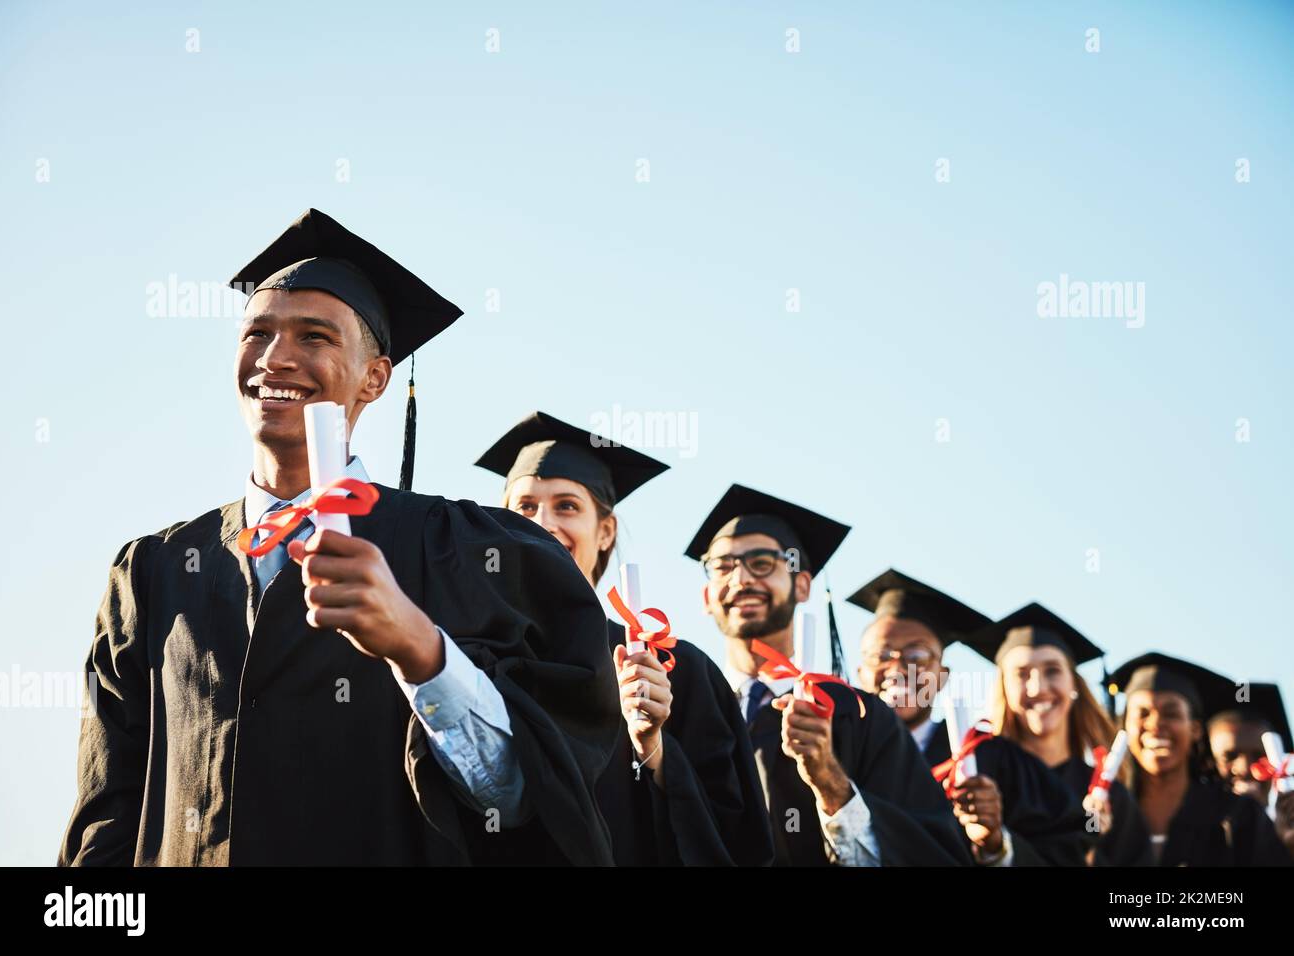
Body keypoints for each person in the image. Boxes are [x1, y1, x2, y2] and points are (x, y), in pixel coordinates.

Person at [59, 209, 620, 866]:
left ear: (374, 378)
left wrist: (422, 652)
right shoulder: (156, 571)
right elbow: (108, 805)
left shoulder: (462, 551)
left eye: (315, 336)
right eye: (256, 333)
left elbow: (527, 796)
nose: (275, 358)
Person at [475, 411, 773, 866]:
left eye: (567, 506)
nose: (543, 522)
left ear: (606, 530)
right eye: (525, 507)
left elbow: (736, 835)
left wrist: (653, 750)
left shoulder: (678, 668)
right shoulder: (476, 659)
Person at [688, 486, 970, 866]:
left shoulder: (861, 717)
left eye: (762, 563)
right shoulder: (682, 703)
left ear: (802, 585)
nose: (740, 580)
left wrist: (830, 782)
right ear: (707, 597)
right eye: (722, 566)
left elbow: (931, 854)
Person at [850, 571, 1086, 866]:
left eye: (917, 657)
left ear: (942, 676)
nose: (898, 669)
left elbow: (1061, 853)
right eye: (881, 655)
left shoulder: (993, 760)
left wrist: (996, 843)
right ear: (860, 672)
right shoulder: (829, 749)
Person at [972, 602, 1152, 866]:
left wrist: (1091, 848)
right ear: (1004, 689)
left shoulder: (1111, 797)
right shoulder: (984, 777)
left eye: (1052, 671)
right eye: (1021, 674)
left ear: (1073, 684)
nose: (1038, 687)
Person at [1107, 653, 1290, 866]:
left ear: (1195, 729)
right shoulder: (1106, 811)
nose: (1155, 724)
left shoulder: (1240, 817)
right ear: (1124, 727)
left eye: (1171, 713)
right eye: (1143, 713)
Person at [1207, 682, 1294, 858]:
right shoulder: (1183, 832)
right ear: (1208, 762)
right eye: (1229, 757)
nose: (1245, 768)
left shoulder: (1287, 833)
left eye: (1259, 755)